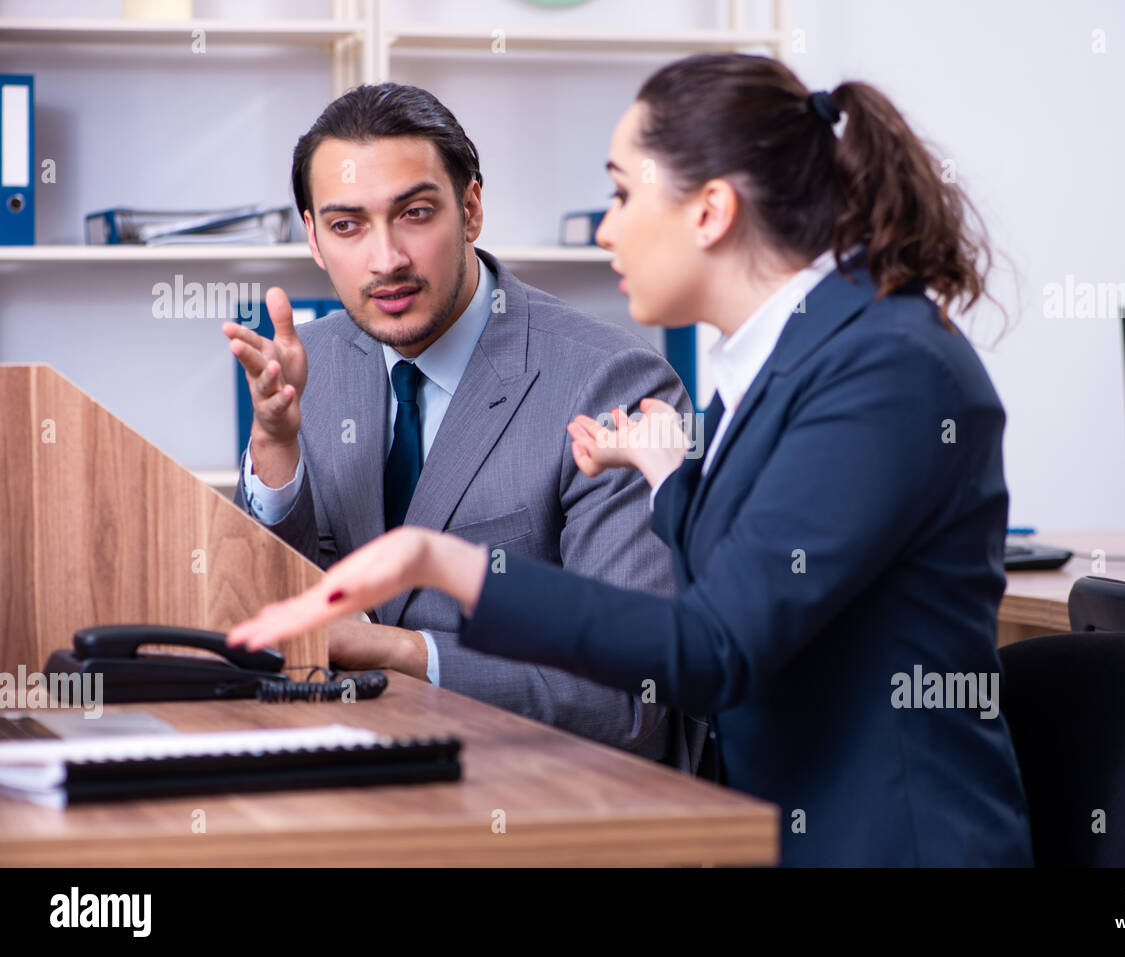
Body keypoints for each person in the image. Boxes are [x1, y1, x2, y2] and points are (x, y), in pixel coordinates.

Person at [229, 54, 1034, 867]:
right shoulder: (774, 359)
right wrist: (672, 481)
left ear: (711, 211)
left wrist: (446, 563)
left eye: (621, 194)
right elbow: (759, 570)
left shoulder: (884, 367)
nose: (607, 228)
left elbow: (715, 648)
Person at [222, 82, 705, 772]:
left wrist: (407, 655)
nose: (386, 258)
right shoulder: (312, 362)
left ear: (471, 208)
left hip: (551, 802)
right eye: (348, 225)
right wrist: (274, 443)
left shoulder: (608, 381)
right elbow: (276, 610)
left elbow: (630, 691)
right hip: (350, 783)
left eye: (415, 214)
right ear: (314, 238)